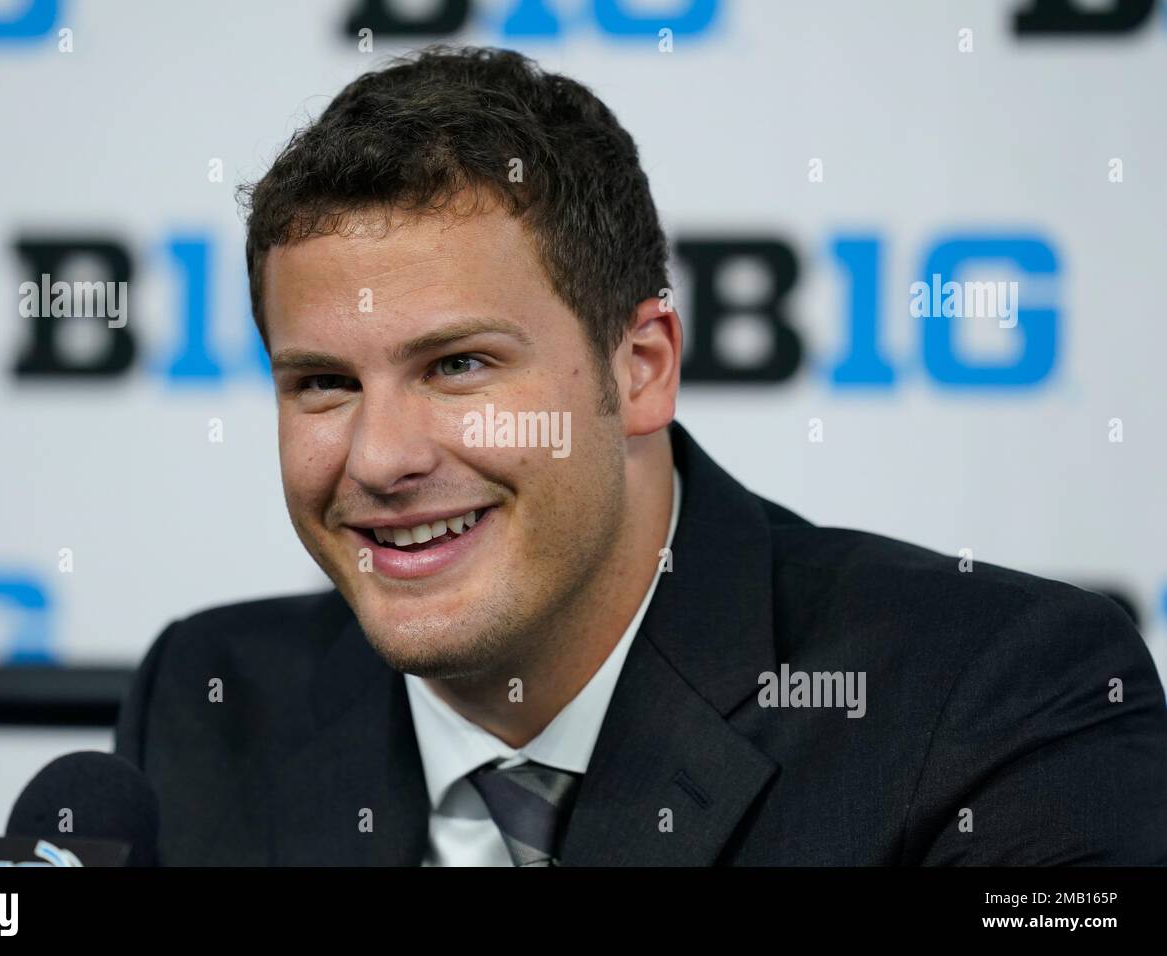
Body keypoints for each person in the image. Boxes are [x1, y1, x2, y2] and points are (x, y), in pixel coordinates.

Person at [114, 45, 1167, 866]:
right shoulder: (208, 701)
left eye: (459, 365)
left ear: (641, 367)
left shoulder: (989, 699)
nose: (381, 457)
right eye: (323, 384)